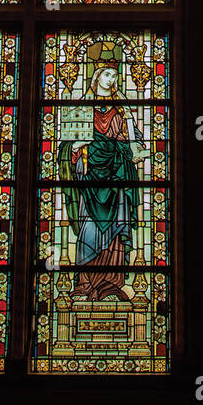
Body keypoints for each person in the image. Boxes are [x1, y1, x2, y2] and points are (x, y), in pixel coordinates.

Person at [60, 49, 144, 301]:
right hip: (90, 181)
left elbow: (133, 144)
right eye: (107, 74)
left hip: (116, 178)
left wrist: (129, 148)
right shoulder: (81, 109)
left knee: (116, 233)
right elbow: (67, 147)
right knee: (89, 230)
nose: (112, 80)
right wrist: (75, 148)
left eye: (115, 76)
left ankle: (111, 283)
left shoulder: (122, 112)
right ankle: (86, 283)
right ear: (96, 78)